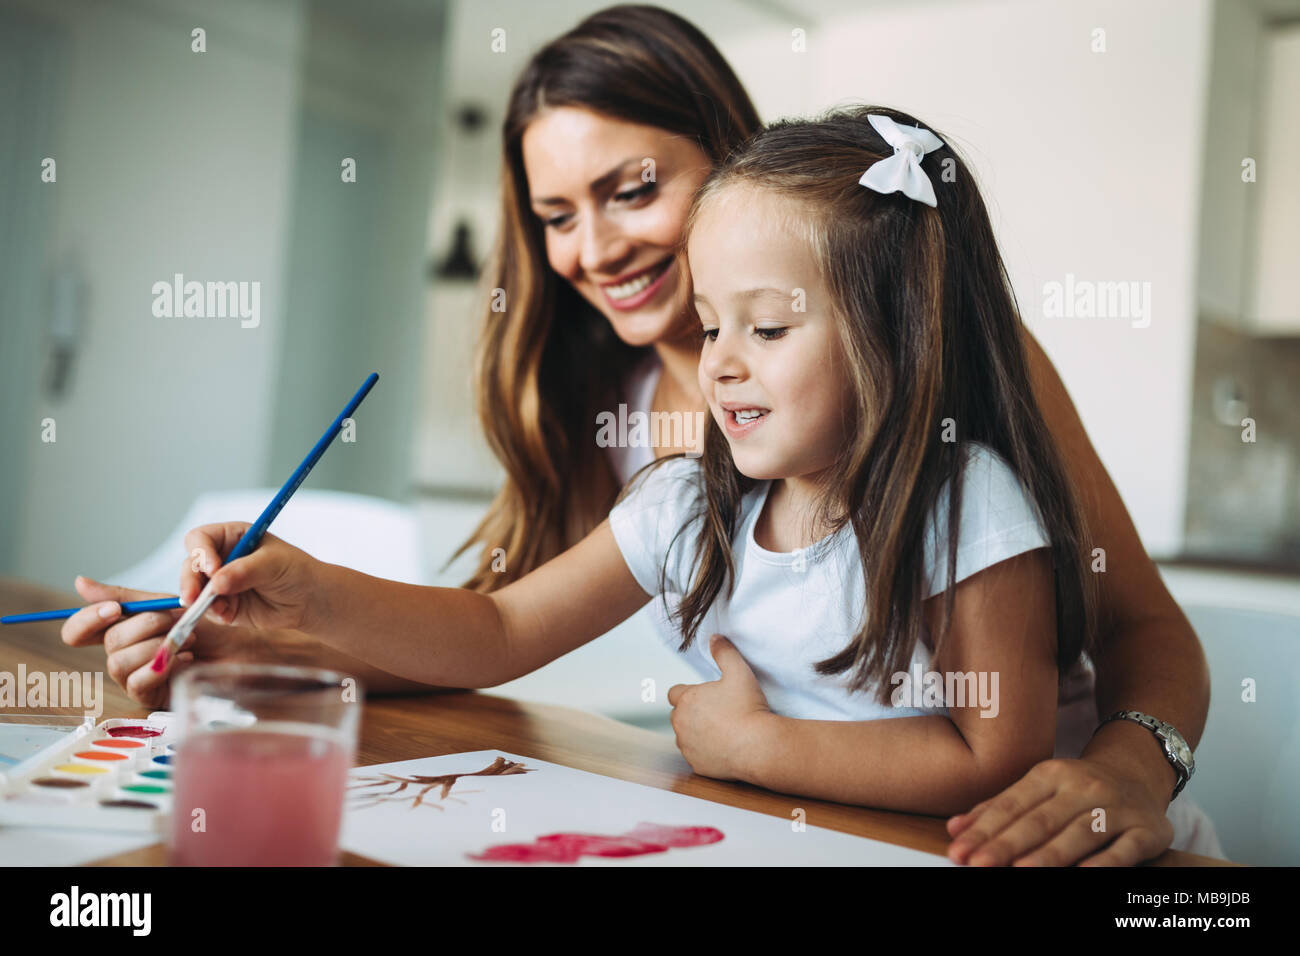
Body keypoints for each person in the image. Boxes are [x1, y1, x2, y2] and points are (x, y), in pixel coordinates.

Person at [65, 6, 1213, 865]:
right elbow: (495, 627)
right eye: (556, 215)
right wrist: (257, 638)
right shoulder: (636, 441)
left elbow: (1126, 633)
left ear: (729, 158)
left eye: (633, 187)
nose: (594, 248)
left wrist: (1126, 766)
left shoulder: (956, 397)